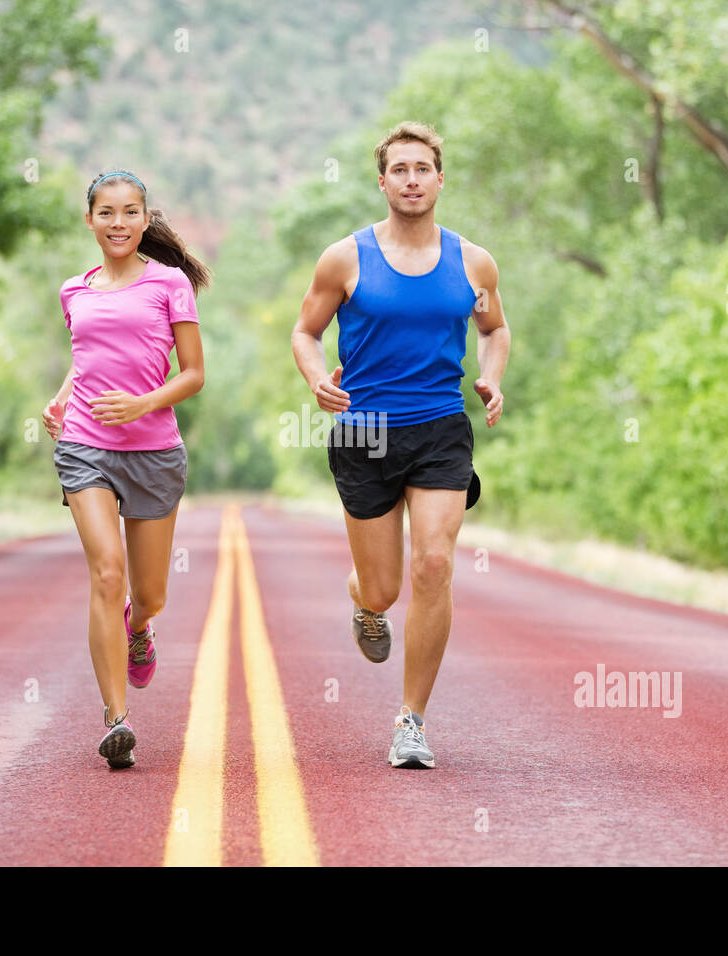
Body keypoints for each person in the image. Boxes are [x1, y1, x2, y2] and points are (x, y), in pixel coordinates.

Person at [291, 122, 511, 769]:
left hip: (441, 427)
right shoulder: (345, 259)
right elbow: (305, 333)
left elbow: (495, 328)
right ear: (382, 181)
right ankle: (362, 596)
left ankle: (411, 720)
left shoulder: (473, 261)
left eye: (423, 168)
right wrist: (315, 380)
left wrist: (491, 376)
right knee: (386, 589)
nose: (412, 179)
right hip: (365, 430)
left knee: (435, 566)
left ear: (441, 179)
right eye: (400, 169)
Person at [42, 169, 209, 769]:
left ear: (145, 219)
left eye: (130, 212)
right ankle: (116, 719)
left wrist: (143, 403)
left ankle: (141, 630)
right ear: (89, 220)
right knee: (106, 574)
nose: (118, 223)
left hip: (154, 451)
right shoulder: (74, 290)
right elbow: (85, 359)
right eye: (106, 213)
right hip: (85, 445)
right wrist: (62, 398)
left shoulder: (169, 285)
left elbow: (192, 373)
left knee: (148, 593)